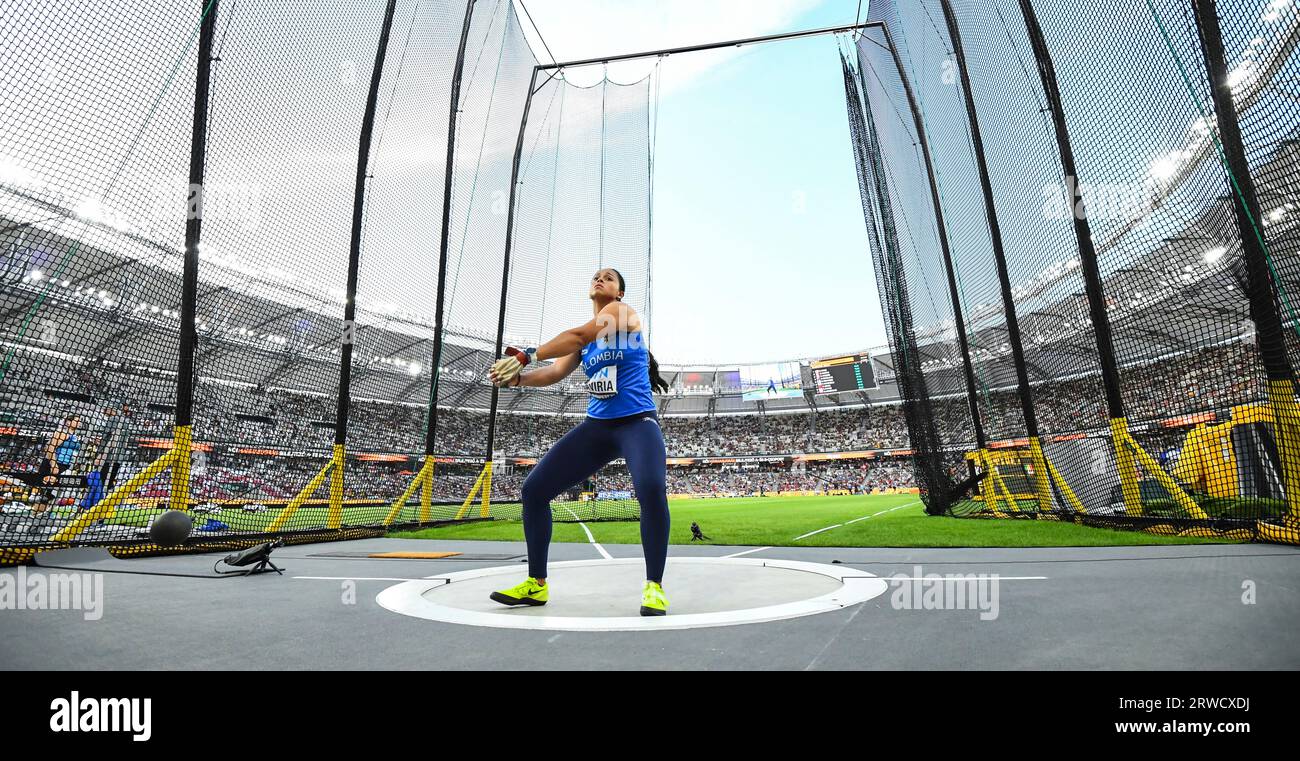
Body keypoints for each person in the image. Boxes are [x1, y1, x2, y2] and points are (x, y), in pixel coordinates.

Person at [486, 268, 673, 616]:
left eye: (609, 278)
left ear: (619, 292)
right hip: (597, 429)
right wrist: (518, 380)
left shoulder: (622, 313)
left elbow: (578, 335)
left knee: (650, 488)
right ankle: (536, 585)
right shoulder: (585, 342)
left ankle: (654, 587)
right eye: (596, 277)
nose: (599, 280)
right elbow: (556, 373)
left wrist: (526, 354)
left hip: (637, 424)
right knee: (534, 491)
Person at [35, 414, 81, 514]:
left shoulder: (74, 436)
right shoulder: (62, 433)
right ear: (68, 422)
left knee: (55, 493)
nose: (79, 423)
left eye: (79, 421)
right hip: (55, 465)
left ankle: (44, 515)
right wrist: (54, 465)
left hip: (65, 466)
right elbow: (50, 448)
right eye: (76, 420)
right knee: (46, 494)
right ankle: (36, 515)